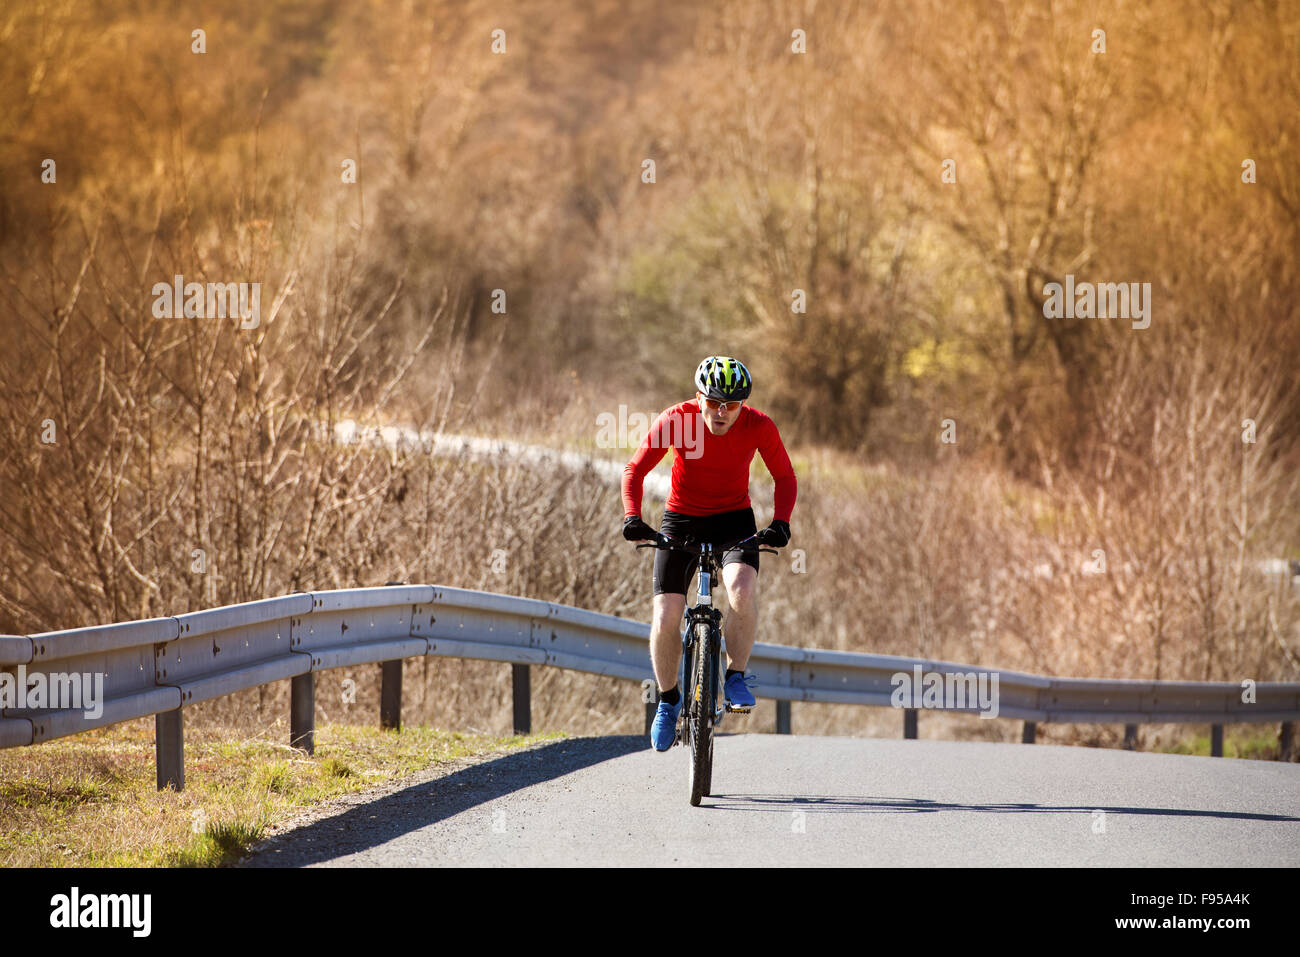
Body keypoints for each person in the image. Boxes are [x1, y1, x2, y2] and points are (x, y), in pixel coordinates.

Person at [621, 356, 797, 751]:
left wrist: (781, 521)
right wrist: (633, 516)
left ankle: (735, 675)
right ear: (698, 396)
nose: (721, 412)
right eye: (713, 401)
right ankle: (668, 700)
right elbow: (634, 470)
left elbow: (785, 476)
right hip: (682, 519)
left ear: (742, 405)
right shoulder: (677, 419)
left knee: (741, 592)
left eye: (731, 405)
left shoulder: (759, 426)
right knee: (666, 614)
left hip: (734, 520)